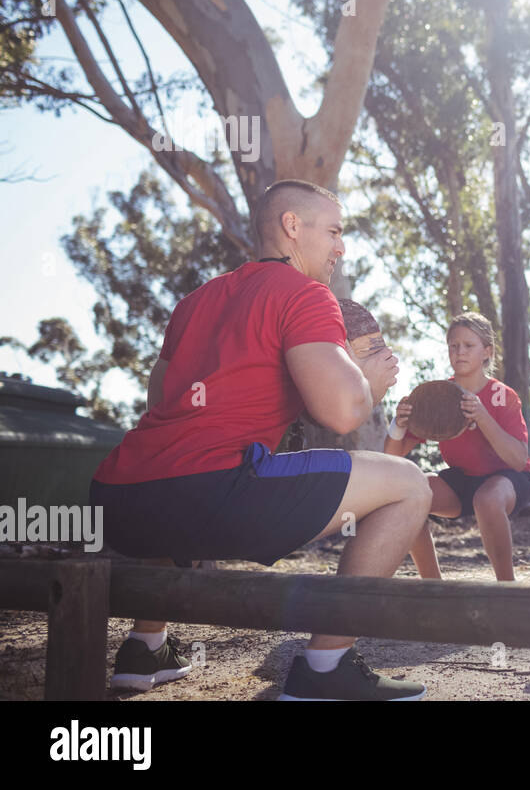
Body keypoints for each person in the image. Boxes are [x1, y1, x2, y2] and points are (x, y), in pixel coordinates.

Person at [90, 179, 432, 700]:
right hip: (214, 493)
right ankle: (326, 667)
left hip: (116, 496)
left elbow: (161, 400)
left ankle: (145, 647)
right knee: (410, 483)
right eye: (334, 232)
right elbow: (342, 412)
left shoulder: (193, 301)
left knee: (177, 469)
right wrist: (370, 386)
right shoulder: (307, 293)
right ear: (292, 227)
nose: (341, 246)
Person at [385, 312, 530, 581]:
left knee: (487, 498)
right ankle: (433, 586)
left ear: (486, 352)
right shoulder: (438, 395)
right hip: (464, 480)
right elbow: (390, 458)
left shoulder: (502, 395)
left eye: (469, 345)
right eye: (454, 346)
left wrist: (482, 415)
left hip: (509, 481)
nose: (460, 352)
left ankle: (508, 587)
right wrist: (398, 423)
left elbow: (517, 459)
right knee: (409, 492)